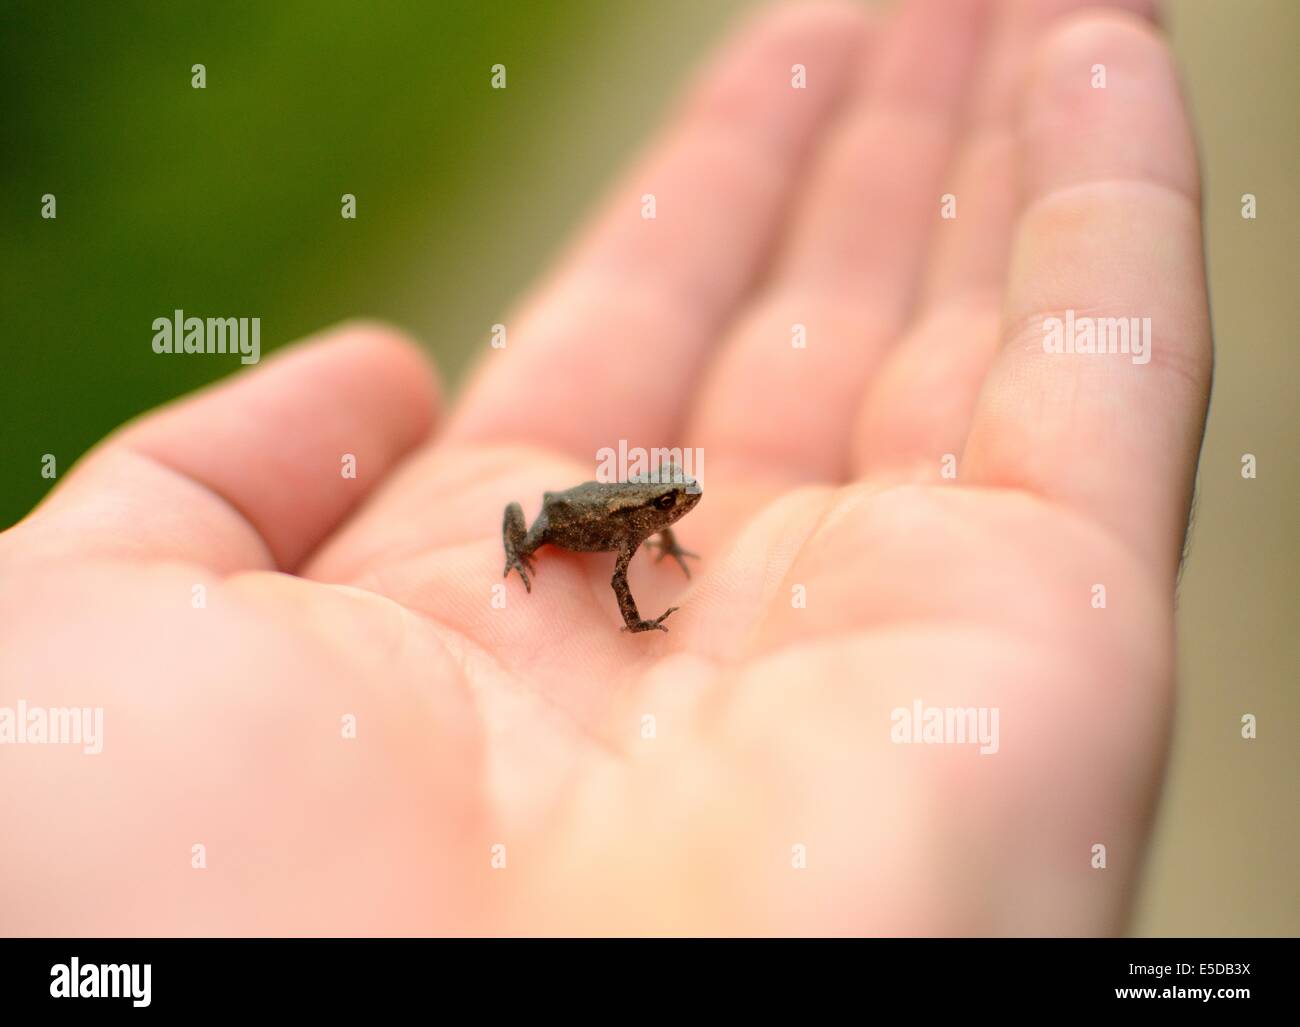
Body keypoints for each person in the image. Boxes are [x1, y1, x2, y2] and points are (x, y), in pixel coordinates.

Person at [0, 0, 1210, 934]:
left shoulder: (649, 520)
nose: (677, 512)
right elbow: (621, 579)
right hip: (564, 512)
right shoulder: (609, 532)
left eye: (675, 503)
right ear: (649, 502)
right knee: (530, 525)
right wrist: (594, 591)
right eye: (671, 503)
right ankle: (521, 551)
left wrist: (670, 538)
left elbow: (653, 546)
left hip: (592, 502)